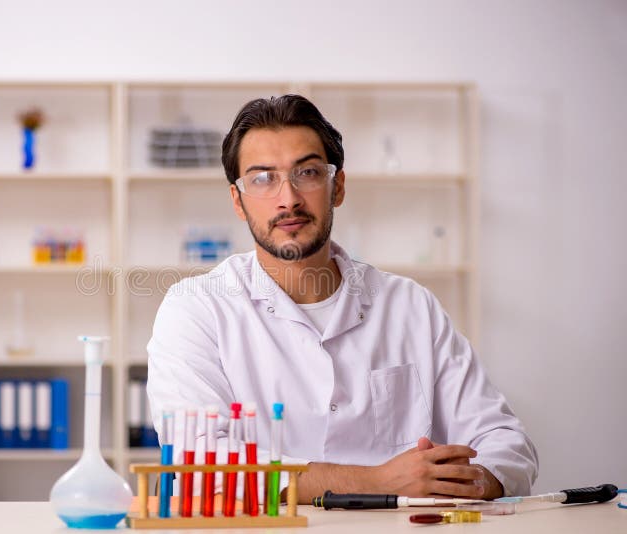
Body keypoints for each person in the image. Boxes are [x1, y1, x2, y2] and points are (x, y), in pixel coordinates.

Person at [146, 94, 538, 502]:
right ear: (238, 201)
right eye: (263, 179)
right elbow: (199, 462)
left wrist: (473, 478)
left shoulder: (410, 306)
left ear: (338, 187)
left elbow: (504, 440)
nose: (288, 198)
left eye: (308, 172)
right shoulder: (196, 309)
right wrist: (377, 482)